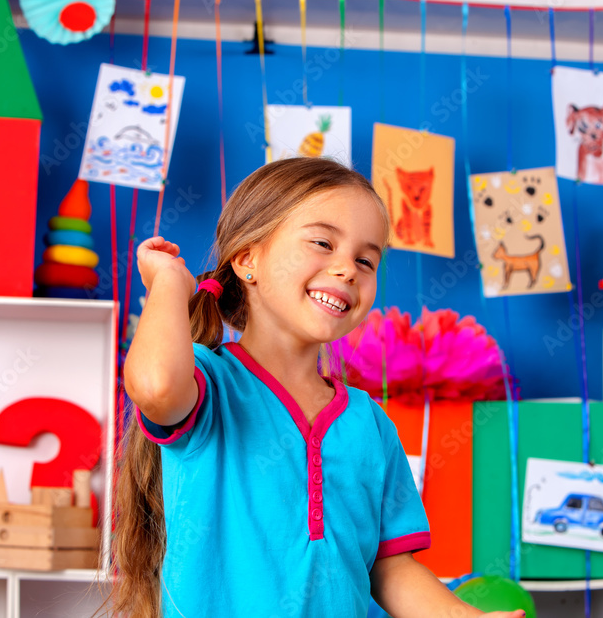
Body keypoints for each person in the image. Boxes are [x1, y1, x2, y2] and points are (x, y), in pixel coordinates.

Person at [107, 157, 526, 618]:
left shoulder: (370, 422)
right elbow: (155, 386)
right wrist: (169, 282)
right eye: (323, 243)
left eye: (366, 260)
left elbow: (391, 569)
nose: (348, 269)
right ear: (247, 259)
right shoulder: (208, 384)